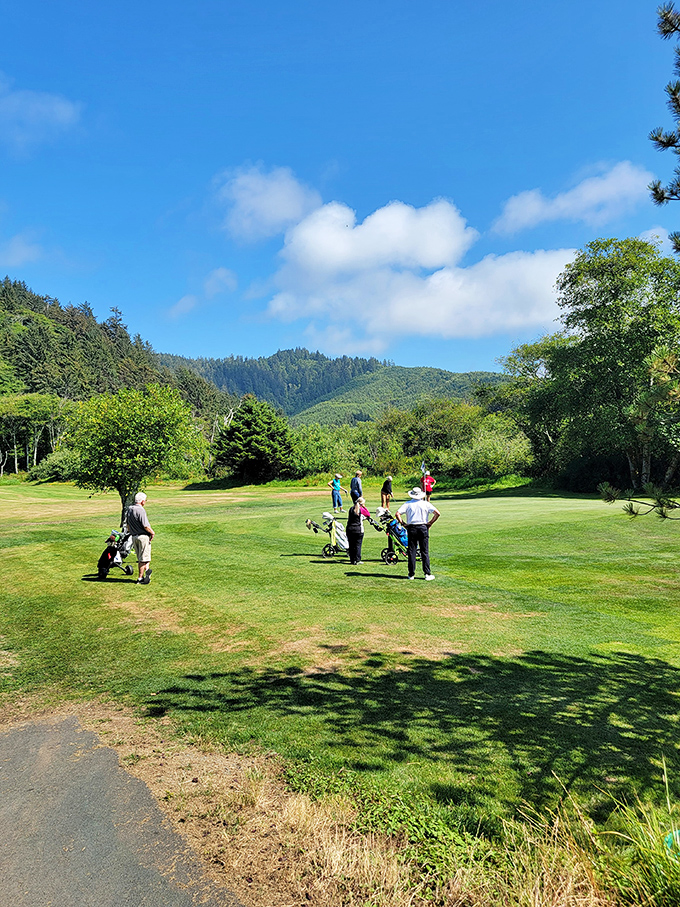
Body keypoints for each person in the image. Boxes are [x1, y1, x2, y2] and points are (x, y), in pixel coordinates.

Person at [396, 487, 440, 580]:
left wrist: (403, 523)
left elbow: (397, 514)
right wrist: (430, 523)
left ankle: (411, 574)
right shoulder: (425, 504)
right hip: (423, 527)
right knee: (424, 551)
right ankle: (427, 574)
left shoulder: (407, 504)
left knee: (412, 551)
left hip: (412, 527)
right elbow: (437, 513)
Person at [126, 491, 155, 584]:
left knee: (143, 557)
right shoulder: (141, 510)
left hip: (134, 536)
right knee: (144, 558)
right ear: (142, 501)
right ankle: (140, 578)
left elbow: (128, 524)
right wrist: (152, 532)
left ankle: (147, 573)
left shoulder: (129, 509)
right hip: (143, 536)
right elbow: (145, 525)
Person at [345, 495, 366, 565]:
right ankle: (357, 560)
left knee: (351, 545)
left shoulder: (351, 509)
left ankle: (352, 559)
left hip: (349, 529)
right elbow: (367, 514)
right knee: (357, 545)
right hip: (357, 529)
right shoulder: (361, 510)